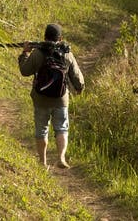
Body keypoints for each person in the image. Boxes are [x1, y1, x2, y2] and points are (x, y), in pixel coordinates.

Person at [18, 22, 84, 169]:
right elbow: (77, 76)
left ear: (44, 37)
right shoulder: (66, 53)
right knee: (61, 128)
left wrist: (24, 53)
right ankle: (61, 158)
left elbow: (25, 71)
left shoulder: (38, 53)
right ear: (60, 38)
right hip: (61, 98)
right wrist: (79, 88)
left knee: (41, 129)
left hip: (40, 98)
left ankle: (43, 162)